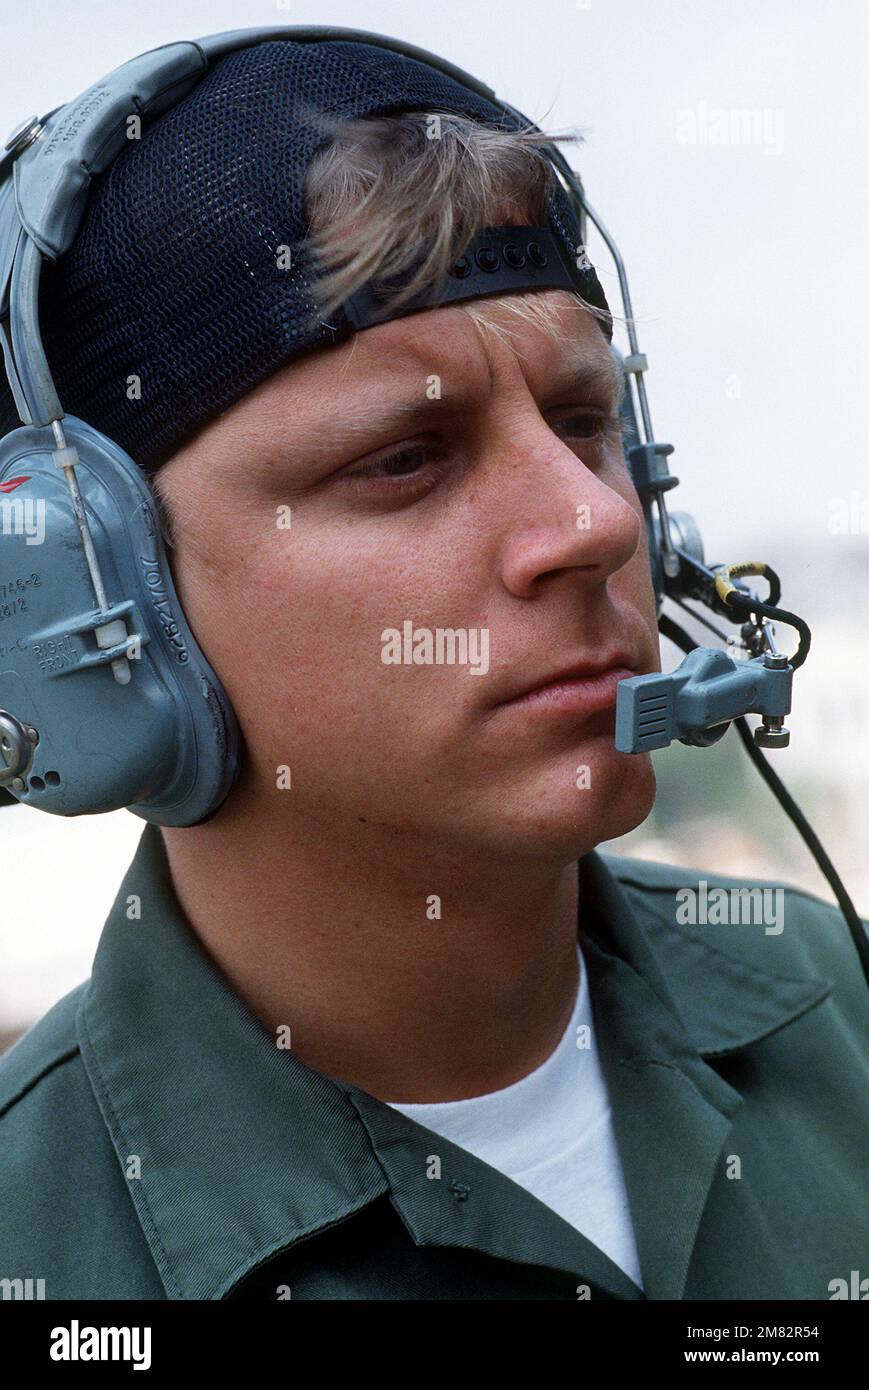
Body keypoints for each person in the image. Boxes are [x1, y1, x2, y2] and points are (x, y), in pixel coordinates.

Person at [0, 34, 865, 1303]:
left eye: (584, 423)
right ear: (97, 607)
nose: (593, 524)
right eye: (406, 457)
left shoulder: (840, 1007)